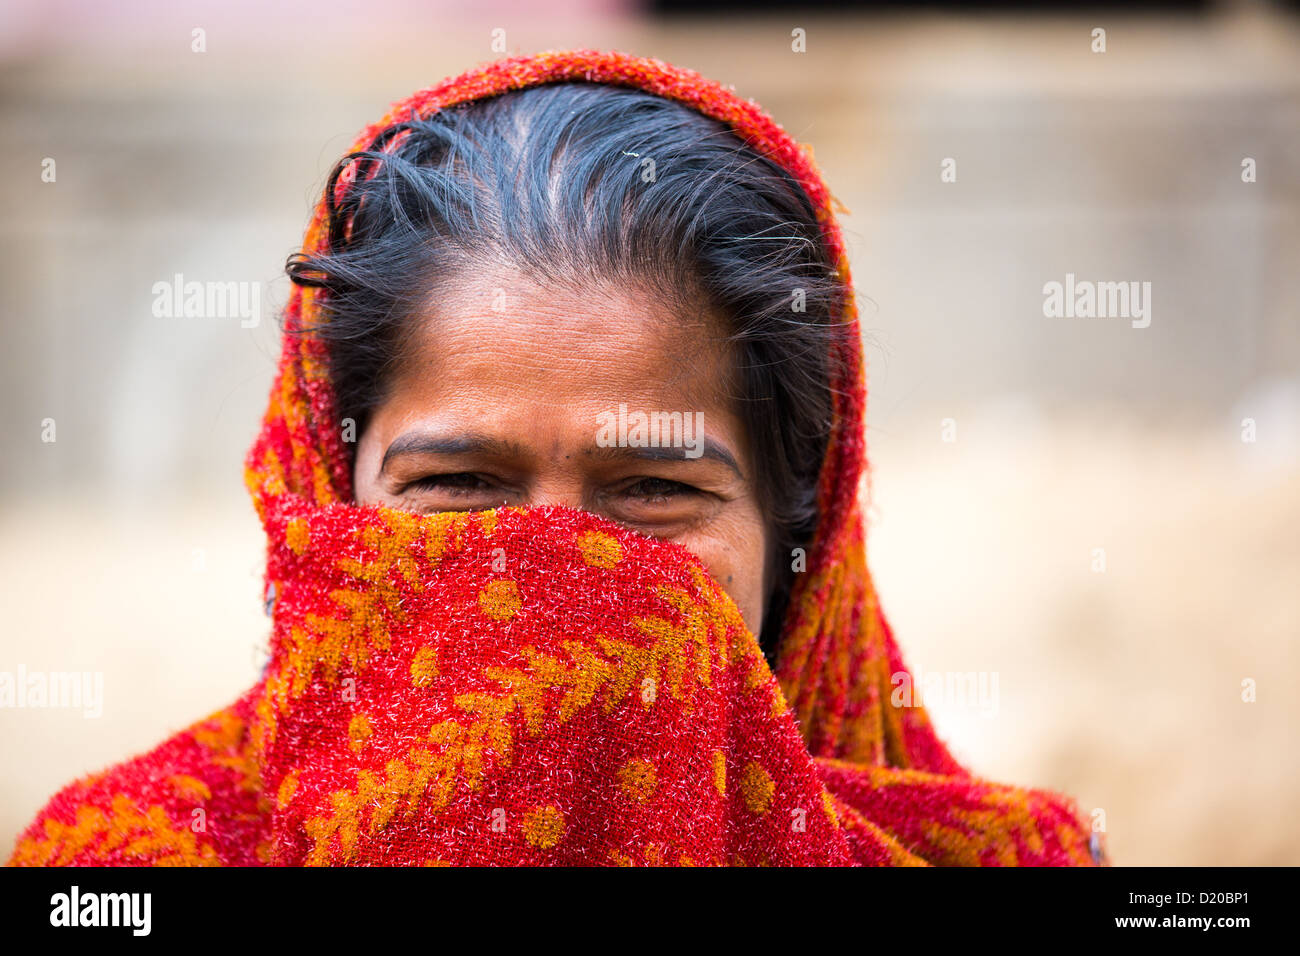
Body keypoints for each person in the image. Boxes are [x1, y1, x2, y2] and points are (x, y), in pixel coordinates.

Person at [7, 50, 1104, 867]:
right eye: (459, 485)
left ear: (795, 533)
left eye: (656, 491)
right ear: (323, 496)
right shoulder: (126, 866)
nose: (557, 566)